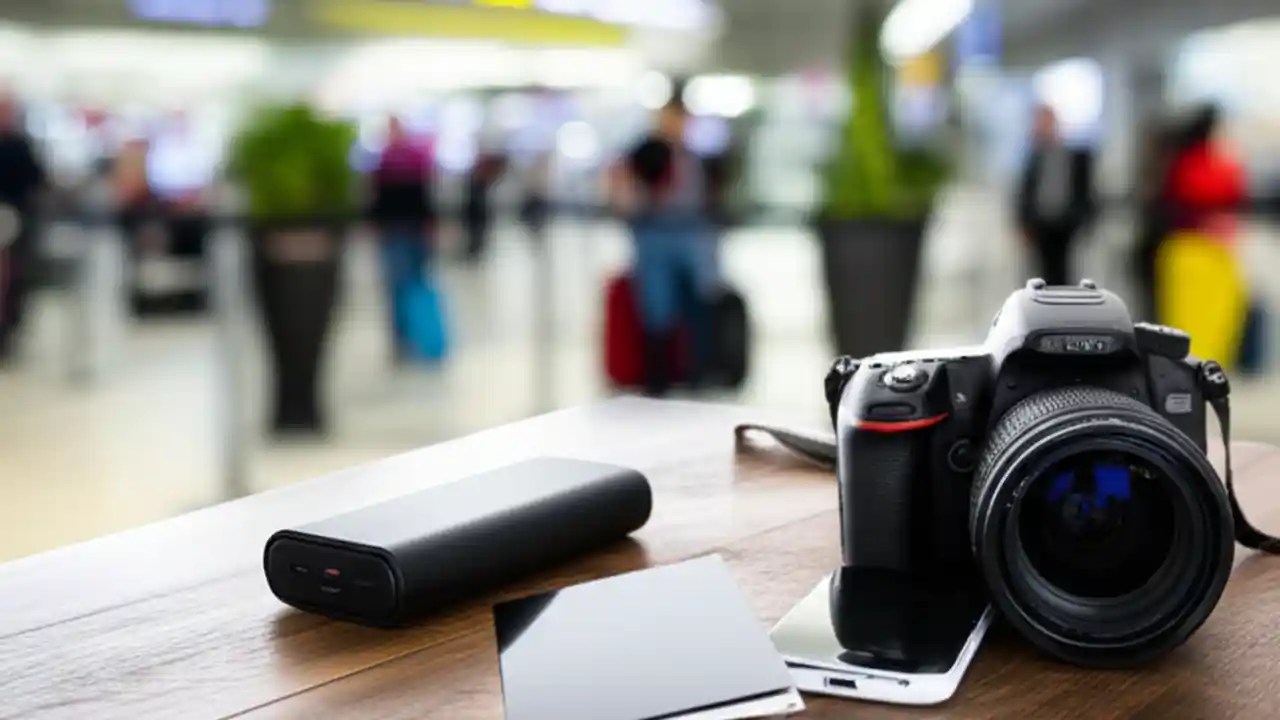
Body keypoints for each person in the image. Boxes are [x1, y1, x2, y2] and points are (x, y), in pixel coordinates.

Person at [611, 95, 717, 396]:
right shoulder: (645, 153)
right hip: (655, 234)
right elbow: (627, 195)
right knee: (657, 307)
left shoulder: (694, 157)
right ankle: (657, 376)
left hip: (691, 234)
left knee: (698, 304)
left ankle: (697, 371)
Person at [369, 117, 434, 361]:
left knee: (413, 283)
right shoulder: (384, 159)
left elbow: (425, 195)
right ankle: (403, 338)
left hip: (412, 230)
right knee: (398, 285)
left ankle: (416, 334)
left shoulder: (412, 157)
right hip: (394, 231)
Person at [1016, 105, 1096, 286]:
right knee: (1042, 273)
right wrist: (1023, 222)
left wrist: (1084, 219)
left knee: (1065, 271)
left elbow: (1086, 191)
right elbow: (1024, 192)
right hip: (1041, 224)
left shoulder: (1076, 155)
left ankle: (1064, 308)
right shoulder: (1034, 156)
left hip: (1067, 224)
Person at [0, 93, 45, 359]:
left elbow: (36, 181)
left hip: (16, 220)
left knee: (14, 278)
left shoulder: (21, 145)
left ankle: (9, 333)